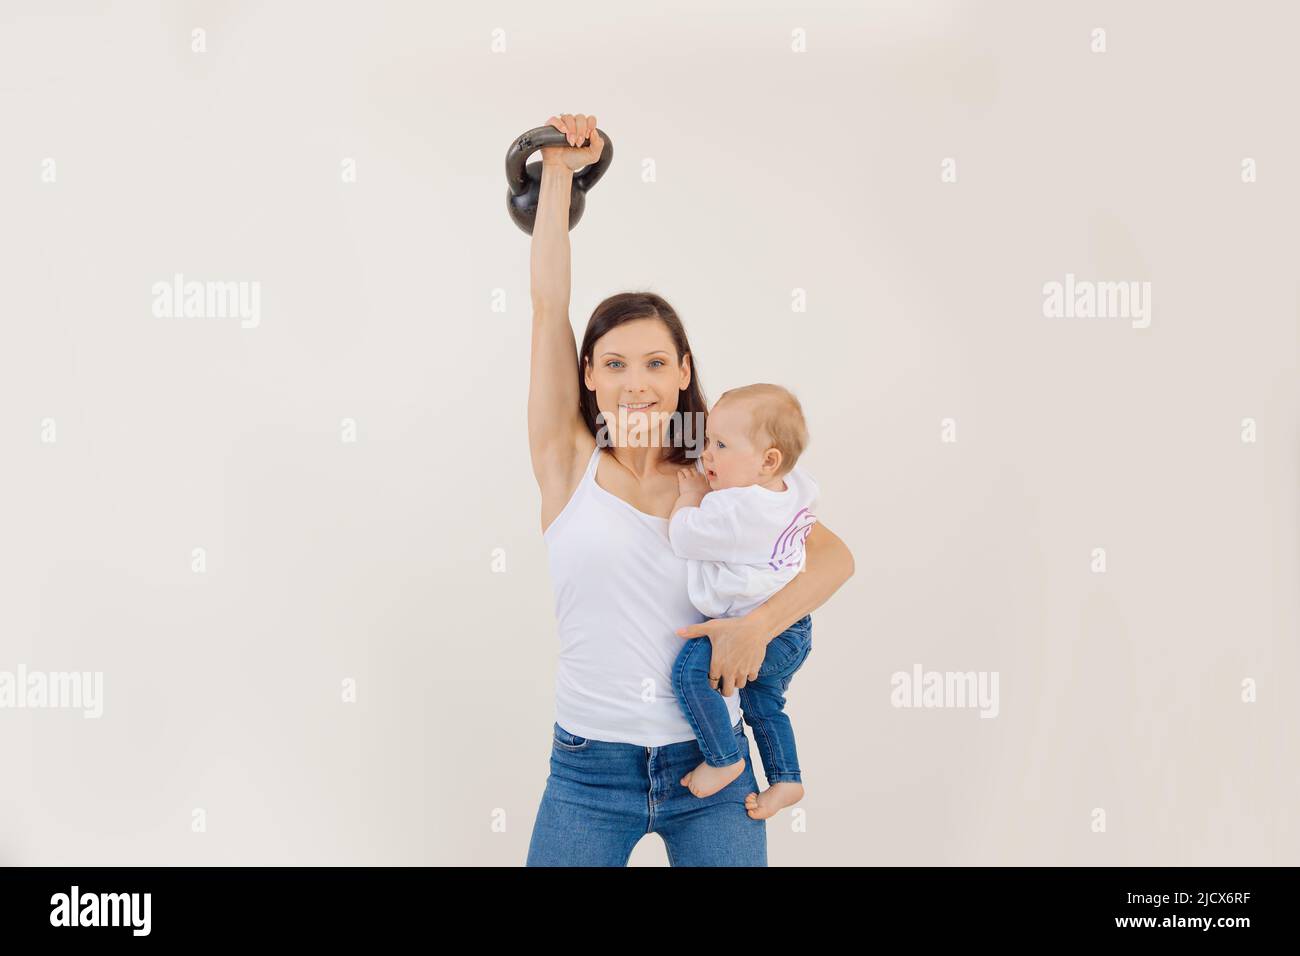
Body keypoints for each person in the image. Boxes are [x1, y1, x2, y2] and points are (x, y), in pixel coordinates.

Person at [524, 113, 855, 867]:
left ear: (682, 371)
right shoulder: (565, 463)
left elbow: (834, 561)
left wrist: (757, 627)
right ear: (586, 376)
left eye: (652, 363)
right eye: (612, 364)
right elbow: (549, 307)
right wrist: (556, 173)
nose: (633, 383)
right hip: (586, 770)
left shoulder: (721, 480)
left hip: (710, 766)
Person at [668, 384, 818, 820]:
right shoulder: (794, 487)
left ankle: (724, 758)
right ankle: (787, 779)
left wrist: (690, 496)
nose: (706, 455)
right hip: (794, 630)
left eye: (720, 445)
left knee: (690, 672)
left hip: (760, 631)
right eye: (707, 440)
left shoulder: (734, 510)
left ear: (768, 461)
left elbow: (683, 535)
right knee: (764, 705)